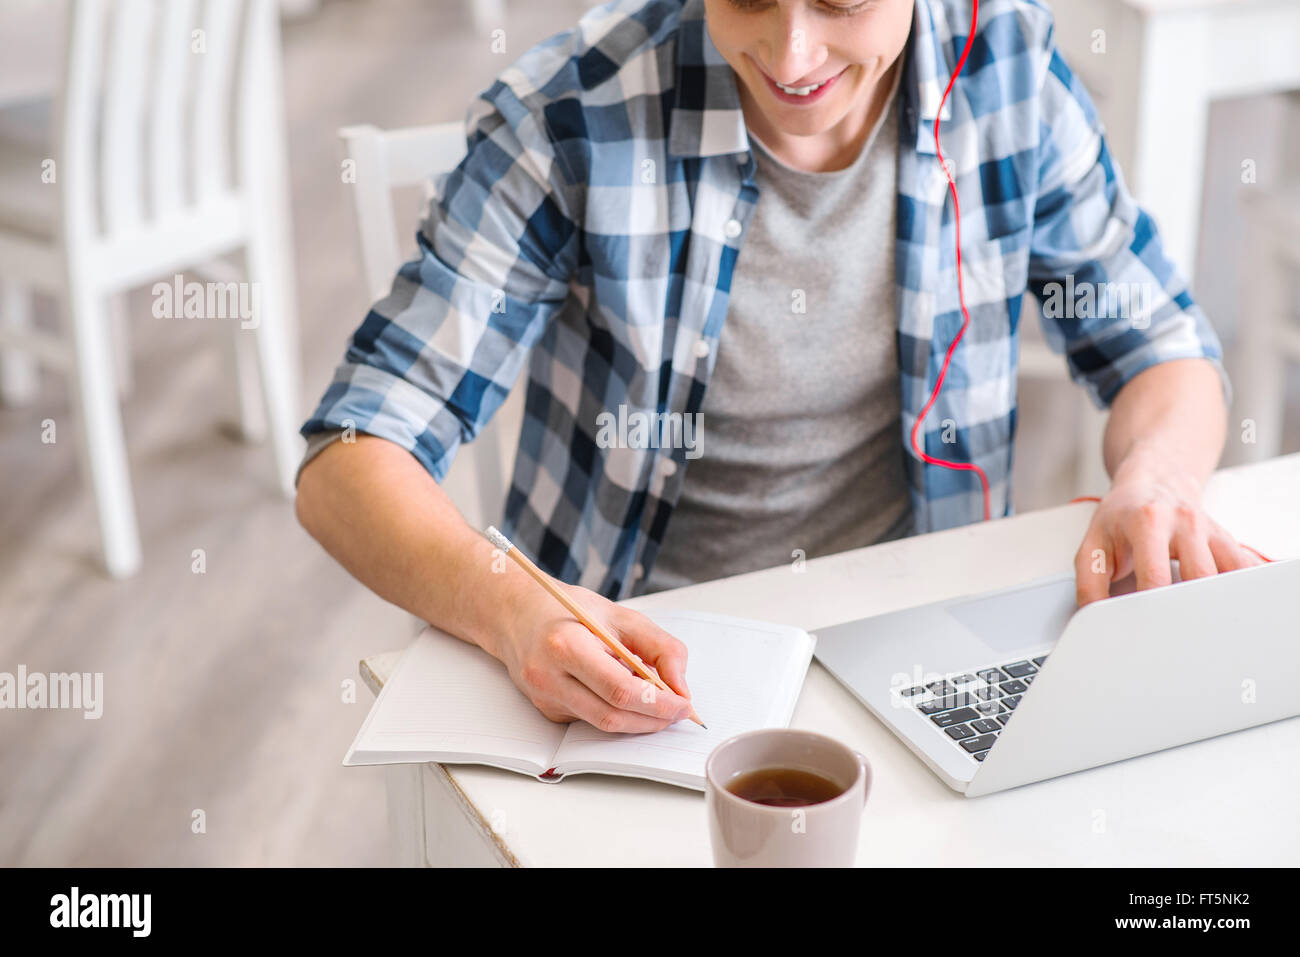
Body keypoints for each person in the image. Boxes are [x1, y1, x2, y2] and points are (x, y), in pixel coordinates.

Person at [296, 0, 1257, 734]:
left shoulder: (1004, 68)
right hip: (640, 662)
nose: (791, 56)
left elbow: (1162, 347)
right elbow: (349, 457)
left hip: (924, 640)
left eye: (840, 2)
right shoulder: (570, 117)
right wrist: (507, 606)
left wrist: (1158, 480)